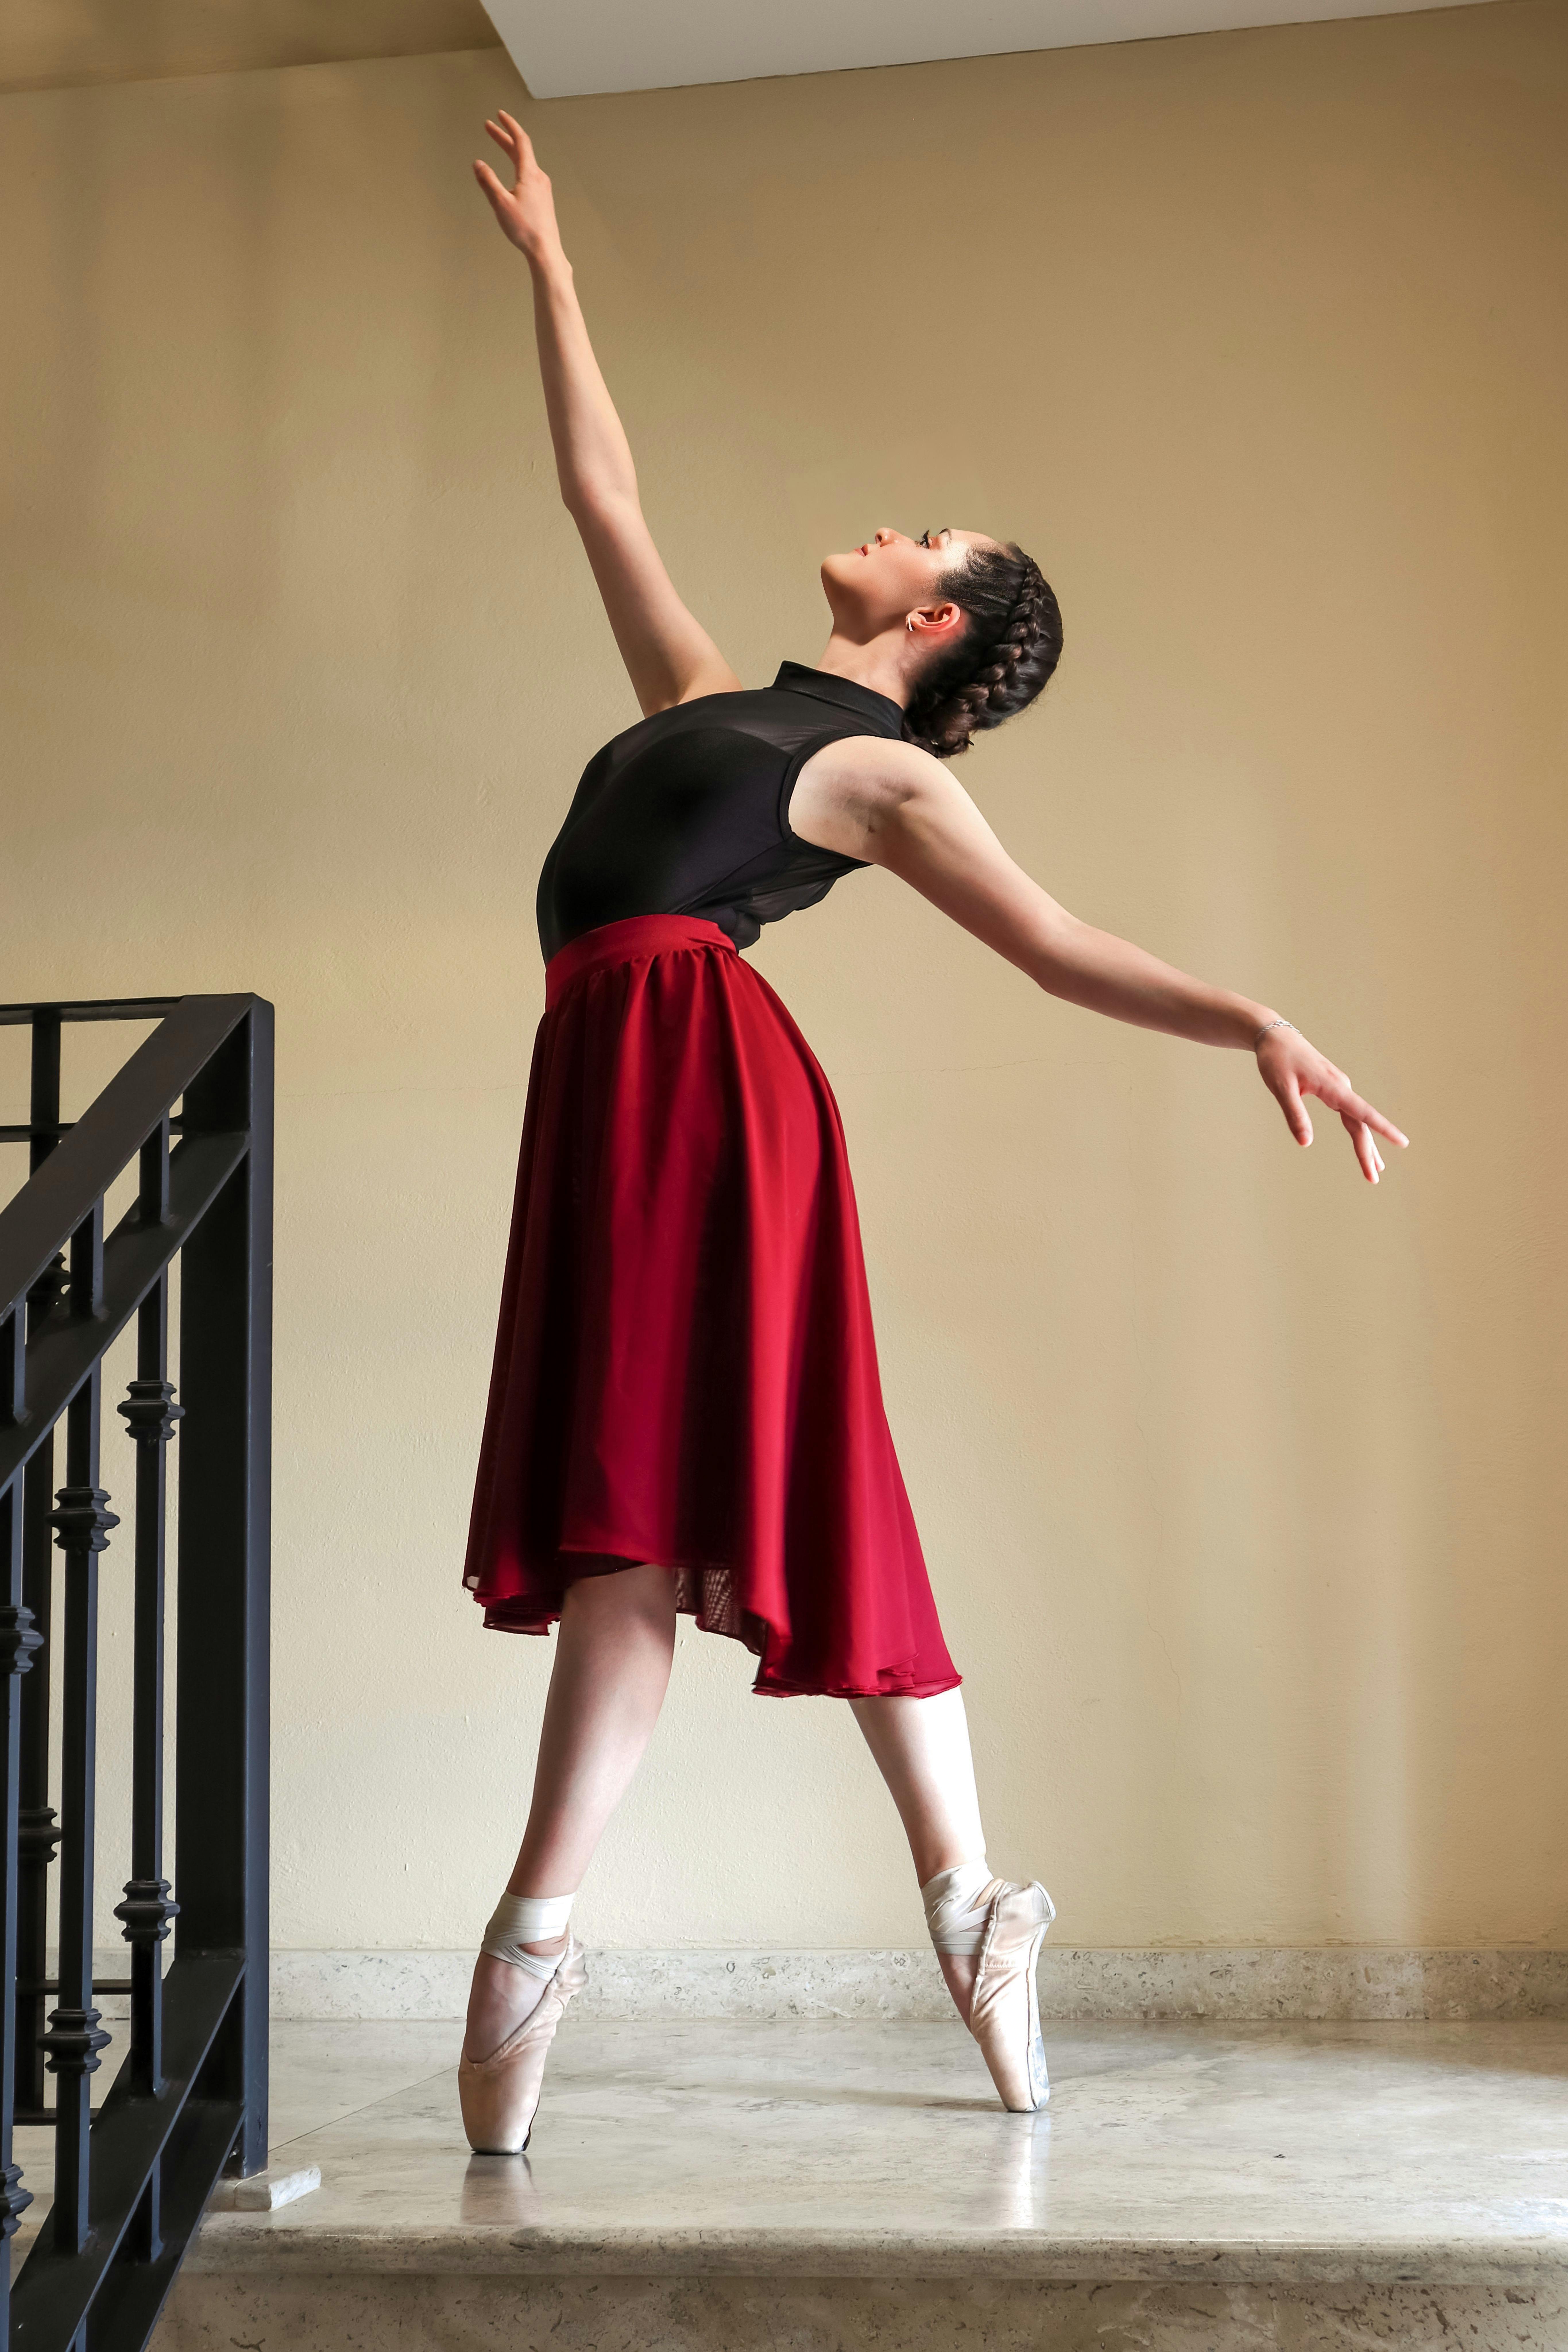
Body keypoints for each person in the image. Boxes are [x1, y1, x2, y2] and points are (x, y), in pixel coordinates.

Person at [457, 111, 1409, 2157]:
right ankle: (591, 1924)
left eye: (931, 538)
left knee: (750, 1486)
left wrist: (1258, 1016)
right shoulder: (716, 700)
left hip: (707, 1091)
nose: (894, 525)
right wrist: (552, 270)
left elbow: (1058, 950)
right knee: (628, 1511)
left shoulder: (878, 769)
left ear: (942, 625)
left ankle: (942, 1905)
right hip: (612, 1079)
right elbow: (596, 492)